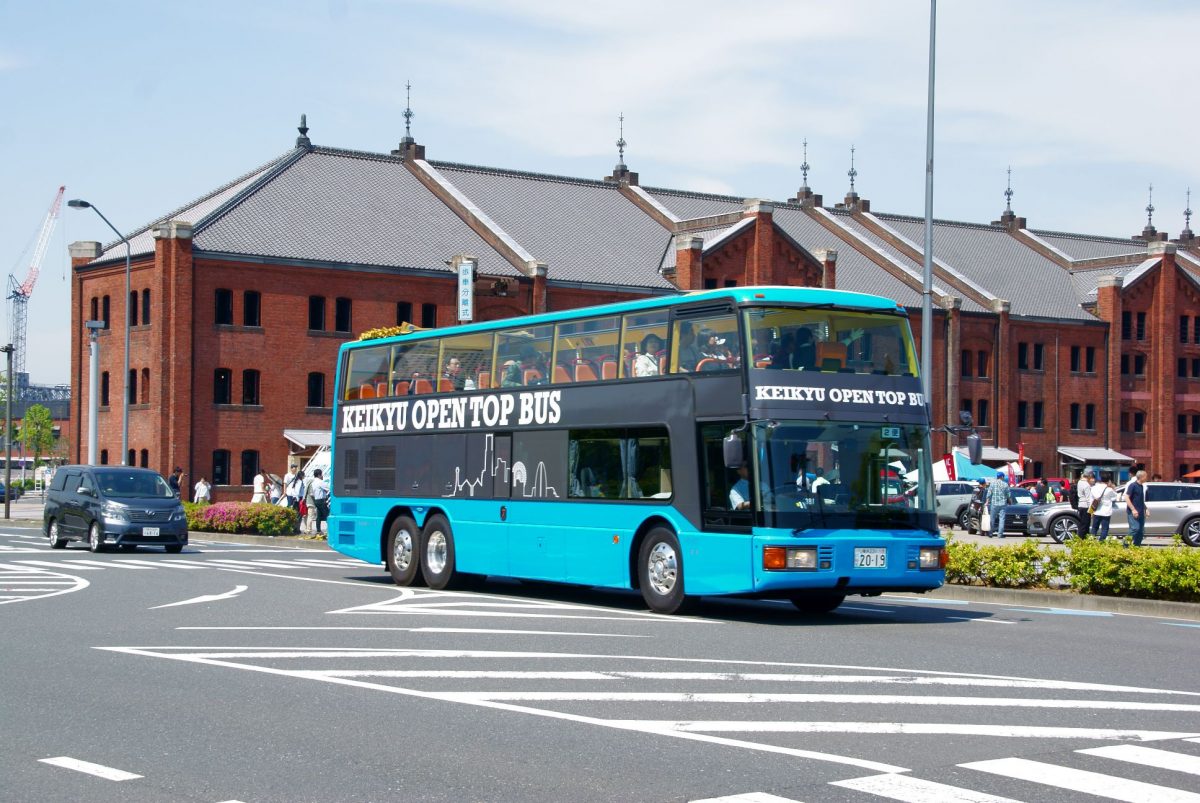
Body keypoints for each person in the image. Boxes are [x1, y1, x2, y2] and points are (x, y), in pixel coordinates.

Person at [1090, 470, 1117, 540]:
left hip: (1096, 511)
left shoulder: (1093, 488)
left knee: (1094, 528)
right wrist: (1112, 487)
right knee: (1104, 529)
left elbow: (1091, 500)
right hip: (1106, 512)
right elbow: (1115, 497)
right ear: (1109, 480)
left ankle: (1091, 542)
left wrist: (1091, 511)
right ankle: (1101, 542)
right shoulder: (1109, 490)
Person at [1125, 469, 1148, 546]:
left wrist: (1146, 508)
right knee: (1135, 528)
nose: (1146, 478)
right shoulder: (1132, 485)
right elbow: (1127, 497)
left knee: (1141, 531)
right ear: (1141, 477)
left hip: (1141, 512)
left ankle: (1136, 547)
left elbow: (1140, 500)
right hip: (1133, 512)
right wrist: (1133, 509)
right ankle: (1126, 545)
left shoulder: (1141, 486)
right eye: (1145, 476)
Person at [986, 471, 1010, 537]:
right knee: (1002, 519)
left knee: (992, 518)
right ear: (1002, 477)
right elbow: (1008, 495)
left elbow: (989, 494)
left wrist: (987, 501)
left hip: (994, 503)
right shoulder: (1005, 484)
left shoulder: (992, 484)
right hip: (1003, 504)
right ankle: (1000, 534)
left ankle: (990, 533)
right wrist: (1010, 501)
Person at [308, 468, 330, 535]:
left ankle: (318, 530)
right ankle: (330, 530)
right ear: (319, 475)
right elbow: (329, 488)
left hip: (316, 500)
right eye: (321, 474)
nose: (322, 476)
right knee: (327, 515)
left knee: (319, 516)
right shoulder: (320, 482)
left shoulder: (313, 482)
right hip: (322, 500)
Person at [1073, 470, 1094, 537]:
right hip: (1085, 506)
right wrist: (1091, 511)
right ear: (1089, 476)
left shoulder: (1080, 482)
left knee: (1082, 524)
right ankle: (1082, 539)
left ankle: (1081, 539)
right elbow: (1088, 499)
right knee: (1085, 525)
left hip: (1080, 505)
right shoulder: (1086, 485)